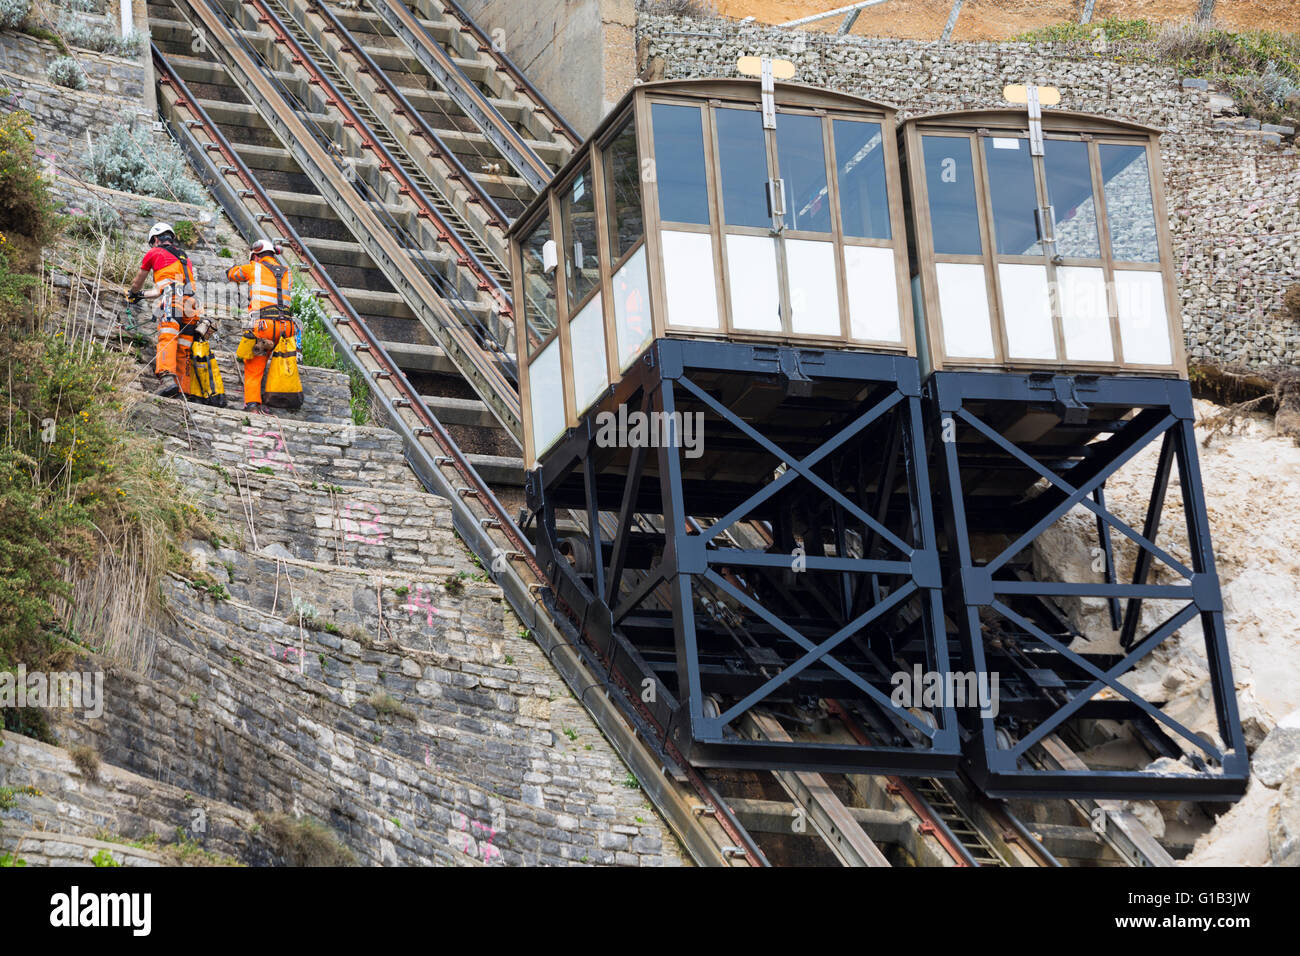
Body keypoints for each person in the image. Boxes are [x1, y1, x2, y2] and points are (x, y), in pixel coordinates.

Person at [127, 222, 218, 399]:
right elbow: (165, 287)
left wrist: (133, 293)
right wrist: (143, 295)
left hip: (172, 301)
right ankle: (183, 390)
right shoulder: (185, 258)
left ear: (155, 239)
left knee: (168, 338)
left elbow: (138, 281)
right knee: (184, 347)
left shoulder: (154, 252)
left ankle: (167, 380)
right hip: (191, 305)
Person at [226, 239, 303, 412]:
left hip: (264, 326)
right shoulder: (287, 272)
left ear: (256, 255)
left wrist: (232, 269)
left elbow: (233, 274)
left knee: (254, 364)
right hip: (287, 328)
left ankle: (253, 404)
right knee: (282, 362)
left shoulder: (254, 267)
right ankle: (277, 397)